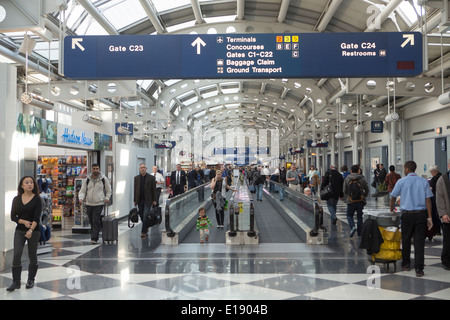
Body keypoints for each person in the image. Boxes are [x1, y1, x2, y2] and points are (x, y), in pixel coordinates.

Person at [389, 160, 433, 277]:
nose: (404, 170)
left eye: (404, 168)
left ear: (407, 169)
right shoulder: (424, 182)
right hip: (420, 215)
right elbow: (428, 200)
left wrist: (391, 210)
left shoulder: (401, 181)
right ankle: (419, 269)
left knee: (406, 239)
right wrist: (430, 217)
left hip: (407, 215)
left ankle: (406, 263)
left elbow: (393, 197)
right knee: (419, 241)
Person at [7, 176, 42, 291]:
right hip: (20, 230)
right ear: (22, 186)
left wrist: (30, 230)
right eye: (26, 183)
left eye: (31, 182)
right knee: (17, 253)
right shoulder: (16, 199)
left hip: (34, 230)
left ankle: (31, 279)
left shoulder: (37, 199)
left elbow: (37, 218)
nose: (29, 184)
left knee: (32, 255)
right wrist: (23, 222)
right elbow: (13, 217)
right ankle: (16, 282)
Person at [79, 163, 112, 244]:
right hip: (89, 203)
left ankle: (94, 238)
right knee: (91, 220)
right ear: (91, 169)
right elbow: (83, 190)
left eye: (97, 168)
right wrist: (81, 198)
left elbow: (109, 190)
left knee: (95, 220)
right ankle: (94, 233)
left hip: (99, 203)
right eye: (94, 169)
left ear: (99, 169)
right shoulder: (87, 179)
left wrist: (107, 198)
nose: (95, 170)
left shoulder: (103, 179)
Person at [343, 165, 369, 238]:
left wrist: (346, 199)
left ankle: (352, 226)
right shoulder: (362, 178)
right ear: (358, 170)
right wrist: (364, 196)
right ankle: (359, 233)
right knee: (360, 217)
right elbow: (367, 189)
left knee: (349, 215)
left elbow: (344, 190)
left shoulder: (347, 179)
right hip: (360, 201)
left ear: (351, 171)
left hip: (351, 201)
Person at [134, 163, 157, 238]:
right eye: (141, 168)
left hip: (148, 200)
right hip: (139, 200)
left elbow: (154, 189)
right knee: (141, 214)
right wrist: (135, 200)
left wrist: (154, 200)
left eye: (144, 167)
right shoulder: (136, 178)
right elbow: (135, 190)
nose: (142, 169)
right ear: (139, 169)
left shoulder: (151, 178)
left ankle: (143, 231)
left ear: (146, 168)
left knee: (145, 214)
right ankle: (146, 226)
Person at [436, 158, 450, 269]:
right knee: (448, 239)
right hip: (447, 215)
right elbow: (439, 198)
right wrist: (443, 213)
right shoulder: (442, 180)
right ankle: (446, 260)